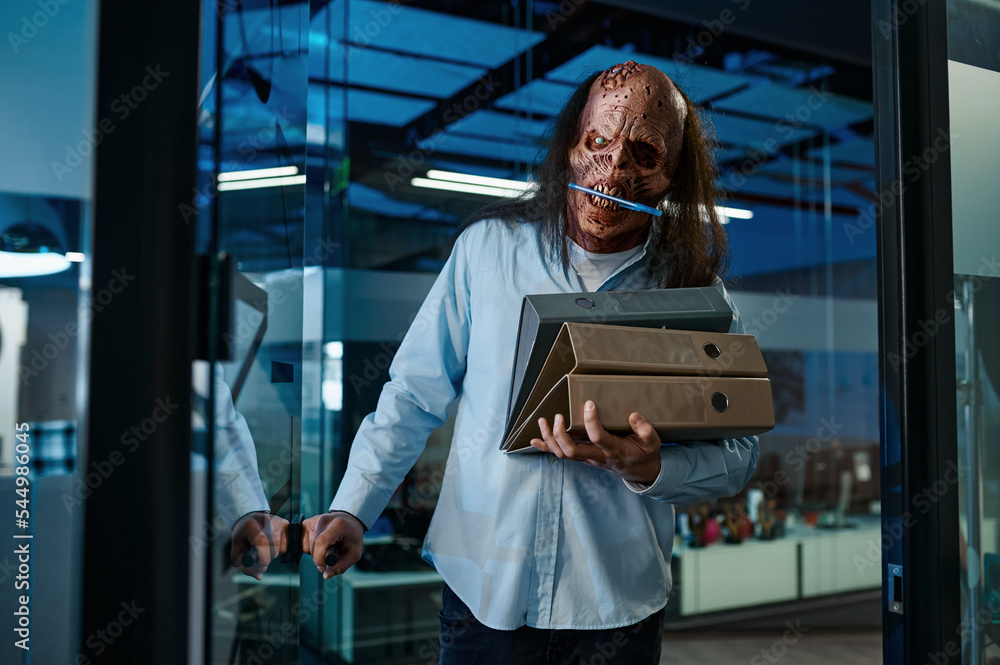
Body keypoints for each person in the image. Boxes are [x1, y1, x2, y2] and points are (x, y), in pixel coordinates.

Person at [298, 60, 760, 664]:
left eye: (644, 153)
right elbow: (412, 393)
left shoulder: (692, 292)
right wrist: (354, 507)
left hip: (616, 610)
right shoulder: (486, 251)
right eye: (599, 141)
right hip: (483, 595)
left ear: (671, 176)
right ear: (571, 148)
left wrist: (653, 467)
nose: (613, 169)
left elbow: (739, 452)